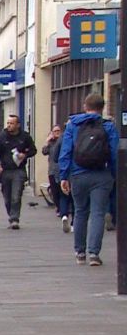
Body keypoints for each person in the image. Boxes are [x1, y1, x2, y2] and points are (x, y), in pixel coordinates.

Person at [59, 93, 119, 266]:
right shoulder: (108, 126)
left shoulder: (73, 125)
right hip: (101, 175)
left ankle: (80, 252)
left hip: (78, 175)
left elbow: (66, 151)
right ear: (103, 107)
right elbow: (114, 153)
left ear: (85, 106)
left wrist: (64, 176)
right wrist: (114, 174)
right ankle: (94, 253)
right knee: (98, 213)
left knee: (80, 212)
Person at [0, 115, 37, 230]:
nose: (9, 125)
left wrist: (24, 154)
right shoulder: (2, 137)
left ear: (18, 125)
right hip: (5, 170)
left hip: (19, 170)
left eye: (11, 123)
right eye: (8, 123)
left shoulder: (25, 137)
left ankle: (14, 219)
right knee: (7, 197)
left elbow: (33, 150)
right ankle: (11, 214)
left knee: (16, 196)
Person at [42, 125, 71, 232]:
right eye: (55, 131)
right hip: (53, 171)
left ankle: (64, 213)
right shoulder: (52, 143)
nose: (57, 132)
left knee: (64, 194)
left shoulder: (64, 140)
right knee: (56, 193)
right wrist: (47, 141)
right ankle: (62, 210)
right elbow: (44, 152)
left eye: (58, 130)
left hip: (63, 171)